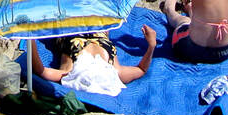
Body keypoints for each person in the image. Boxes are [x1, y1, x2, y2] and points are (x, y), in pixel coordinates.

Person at [28, 26, 157, 95]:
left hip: (69, 26)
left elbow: (41, 70)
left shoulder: (71, 71)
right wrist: (152, 45)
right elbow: (141, 69)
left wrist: (30, 38)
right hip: (98, 25)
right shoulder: (115, 71)